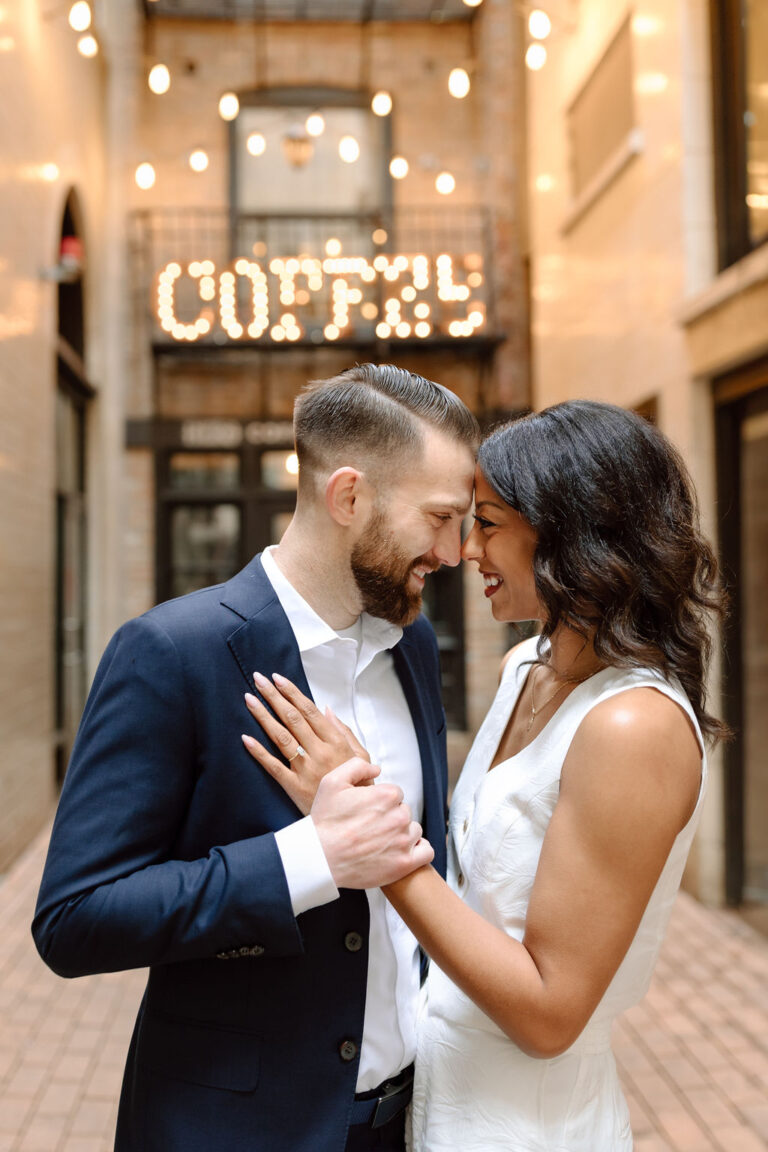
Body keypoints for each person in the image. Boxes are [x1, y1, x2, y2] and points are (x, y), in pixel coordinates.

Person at [242, 400, 726, 1151]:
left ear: (575, 534)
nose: (467, 551)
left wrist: (372, 836)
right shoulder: (522, 668)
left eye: (490, 524)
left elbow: (547, 1013)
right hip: (438, 1101)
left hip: (529, 1125)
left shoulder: (635, 726)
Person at [32, 363, 479, 1152]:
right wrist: (309, 858)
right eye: (441, 517)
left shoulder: (410, 641)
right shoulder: (173, 653)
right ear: (349, 497)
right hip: (236, 1128)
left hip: (406, 1122)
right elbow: (74, 919)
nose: (454, 551)